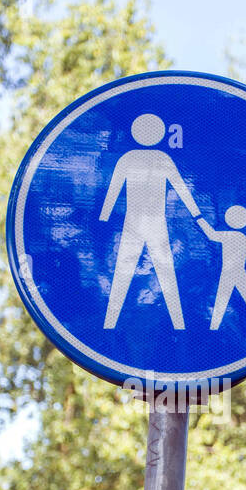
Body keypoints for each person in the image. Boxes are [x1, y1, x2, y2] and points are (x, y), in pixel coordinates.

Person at [99, 113, 201, 330]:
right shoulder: (159, 159)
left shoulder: (132, 158)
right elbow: (181, 189)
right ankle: (177, 324)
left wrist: (104, 217)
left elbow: (114, 190)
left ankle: (111, 323)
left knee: (139, 269)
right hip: (147, 222)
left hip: (140, 222)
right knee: (159, 269)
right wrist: (197, 215)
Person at [197, 205, 246, 330]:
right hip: (236, 271)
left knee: (225, 297)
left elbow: (211, 234)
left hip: (231, 271)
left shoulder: (229, 236)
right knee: (245, 296)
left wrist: (199, 219)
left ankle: (215, 326)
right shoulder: (241, 237)